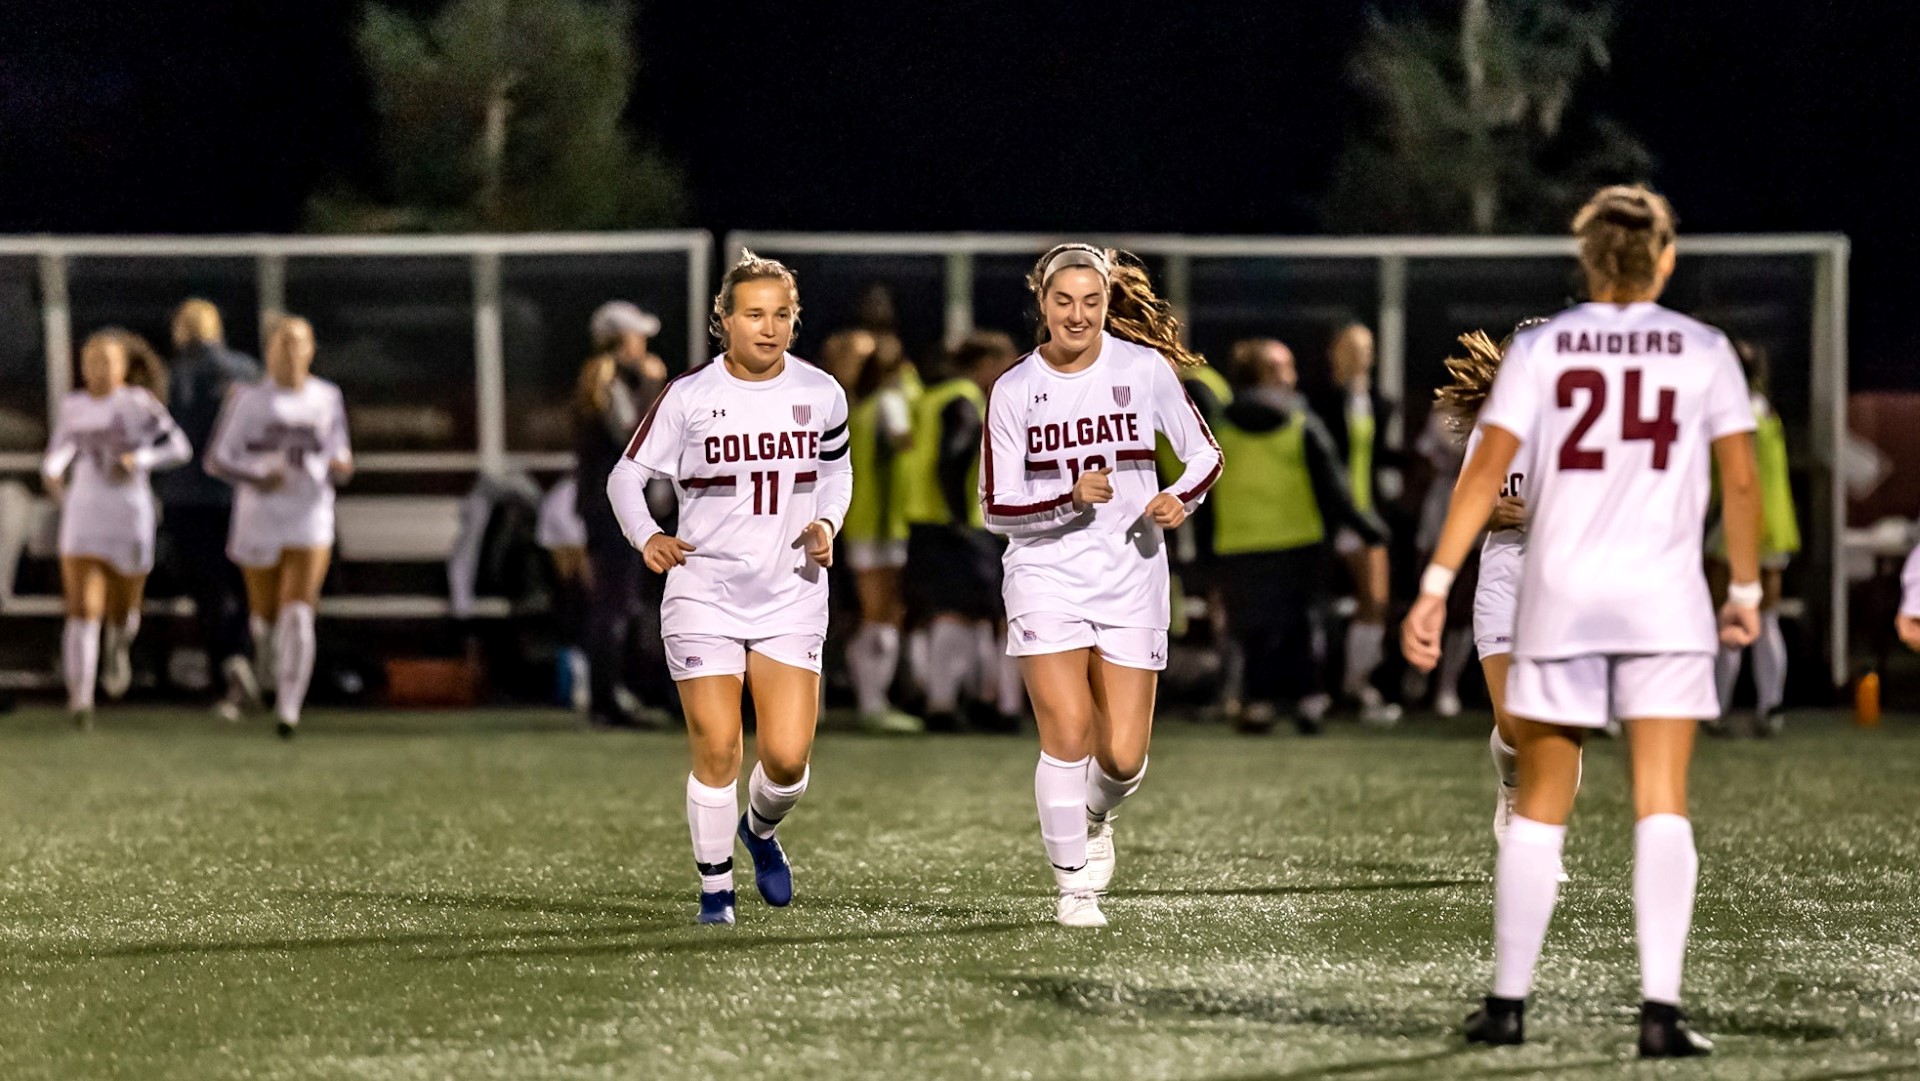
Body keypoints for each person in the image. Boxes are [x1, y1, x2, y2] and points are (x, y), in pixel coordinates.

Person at [1404, 184, 1761, 1057]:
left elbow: (1482, 476)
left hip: (1563, 590)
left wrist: (1433, 582)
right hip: (1659, 593)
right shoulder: (1706, 349)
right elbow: (1742, 484)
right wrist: (1745, 590)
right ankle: (1660, 1012)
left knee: (1542, 803)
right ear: (1665, 258)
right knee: (1660, 802)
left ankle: (1509, 1004)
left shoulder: (1544, 350)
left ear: (1588, 259)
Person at [607, 250, 851, 927]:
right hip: (703, 592)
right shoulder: (689, 396)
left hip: (791, 592)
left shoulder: (821, 392)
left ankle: (761, 830)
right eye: (753, 314)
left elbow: (836, 472)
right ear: (723, 320)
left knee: (788, 759)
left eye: (780, 315)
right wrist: (646, 534)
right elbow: (624, 477)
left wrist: (828, 520)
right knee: (718, 746)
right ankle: (716, 890)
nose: (767, 328)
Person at [981, 243, 1222, 928]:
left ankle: (1094, 813)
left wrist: (1179, 496)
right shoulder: (1014, 388)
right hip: (1043, 574)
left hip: (1132, 574)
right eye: (1064, 301)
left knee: (1122, 757)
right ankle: (1072, 888)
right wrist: (1067, 498)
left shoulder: (1143, 369)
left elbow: (1206, 452)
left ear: (1108, 302)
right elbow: (995, 505)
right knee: (1067, 729)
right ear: (1042, 302)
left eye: (1092, 301)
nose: (1078, 314)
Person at [1431, 322, 1584, 845]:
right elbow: (1463, 505)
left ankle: (1541, 842)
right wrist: (1490, 513)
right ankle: (1512, 785)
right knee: (1516, 725)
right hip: (1504, 577)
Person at [1210, 338, 1386, 735]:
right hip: (1298, 536)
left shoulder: (1217, 425)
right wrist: (1368, 528)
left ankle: (1258, 705)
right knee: (1304, 624)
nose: (1293, 375)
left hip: (1238, 542)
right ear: (1269, 373)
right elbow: (1333, 484)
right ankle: (1308, 701)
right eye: (1285, 366)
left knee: (1253, 628)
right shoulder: (1299, 419)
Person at [205, 316, 353, 739]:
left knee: (299, 610)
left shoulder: (326, 397)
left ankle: (290, 708)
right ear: (269, 351)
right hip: (260, 517)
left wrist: (338, 466)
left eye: (298, 343)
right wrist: (257, 474)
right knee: (265, 619)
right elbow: (219, 457)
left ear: (311, 349)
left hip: (309, 514)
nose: (290, 351)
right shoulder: (249, 399)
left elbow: (339, 452)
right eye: (282, 343)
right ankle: (267, 667)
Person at [42, 329, 190, 728]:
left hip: (128, 513)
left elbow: (179, 447)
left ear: (123, 368)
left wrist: (138, 459)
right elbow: (60, 450)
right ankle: (81, 700)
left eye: (106, 361)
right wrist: (52, 474)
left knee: (124, 611)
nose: (98, 370)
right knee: (83, 610)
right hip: (83, 513)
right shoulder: (73, 406)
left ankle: (118, 647)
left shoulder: (139, 404)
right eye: (91, 362)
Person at [898, 330, 1021, 731]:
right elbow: (953, 455)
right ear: (987, 364)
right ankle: (943, 704)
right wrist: (956, 515)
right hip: (952, 523)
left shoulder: (933, 395)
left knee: (956, 613)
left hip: (924, 518)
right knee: (958, 613)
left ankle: (951, 700)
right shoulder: (965, 397)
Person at [156, 299, 263, 719]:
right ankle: (244, 659)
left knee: (209, 590)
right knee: (246, 585)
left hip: (186, 497)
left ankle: (230, 671)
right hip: (240, 494)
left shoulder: (173, 377)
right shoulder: (246, 371)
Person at [574, 301, 672, 729]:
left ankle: (614, 693)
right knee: (614, 603)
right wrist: (654, 388)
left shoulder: (606, 378)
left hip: (606, 506)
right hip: (613, 508)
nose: (644, 344)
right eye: (637, 336)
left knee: (618, 602)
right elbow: (634, 436)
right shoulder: (609, 380)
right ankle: (606, 700)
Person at [825, 323, 924, 734]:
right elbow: (908, 444)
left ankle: (869, 698)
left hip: (863, 519)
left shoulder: (858, 409)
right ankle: (872, 701)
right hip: (881, 521)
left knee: (877, 615)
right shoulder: (887, 404)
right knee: (881, 615)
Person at [1304, 322, 1401, 726]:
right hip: (1327, 515)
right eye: (1350, 347)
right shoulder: (1318, 399)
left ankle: (1357, 685)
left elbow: (1375, 457)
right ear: (1334, 352)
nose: (1359, 355)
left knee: (1375, 602)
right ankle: (1318, 692)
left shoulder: (1379, 402)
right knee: (1317, 608)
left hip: (1364, 514)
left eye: (1366, 348)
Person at [1708, 340, 1800, 736]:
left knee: (1729, 616)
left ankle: (1718, 708)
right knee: (1766, 617)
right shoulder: (1767, 412)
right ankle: (1770, 706)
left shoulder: (1730, 414)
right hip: (1774, 526)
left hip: (1737, 526)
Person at [536, 476, 591, 711]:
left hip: (571, 562)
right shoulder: (569, 493)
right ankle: (574, 688)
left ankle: (582, 685)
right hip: (566, 564)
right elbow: (571, 543)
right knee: (573, 622)